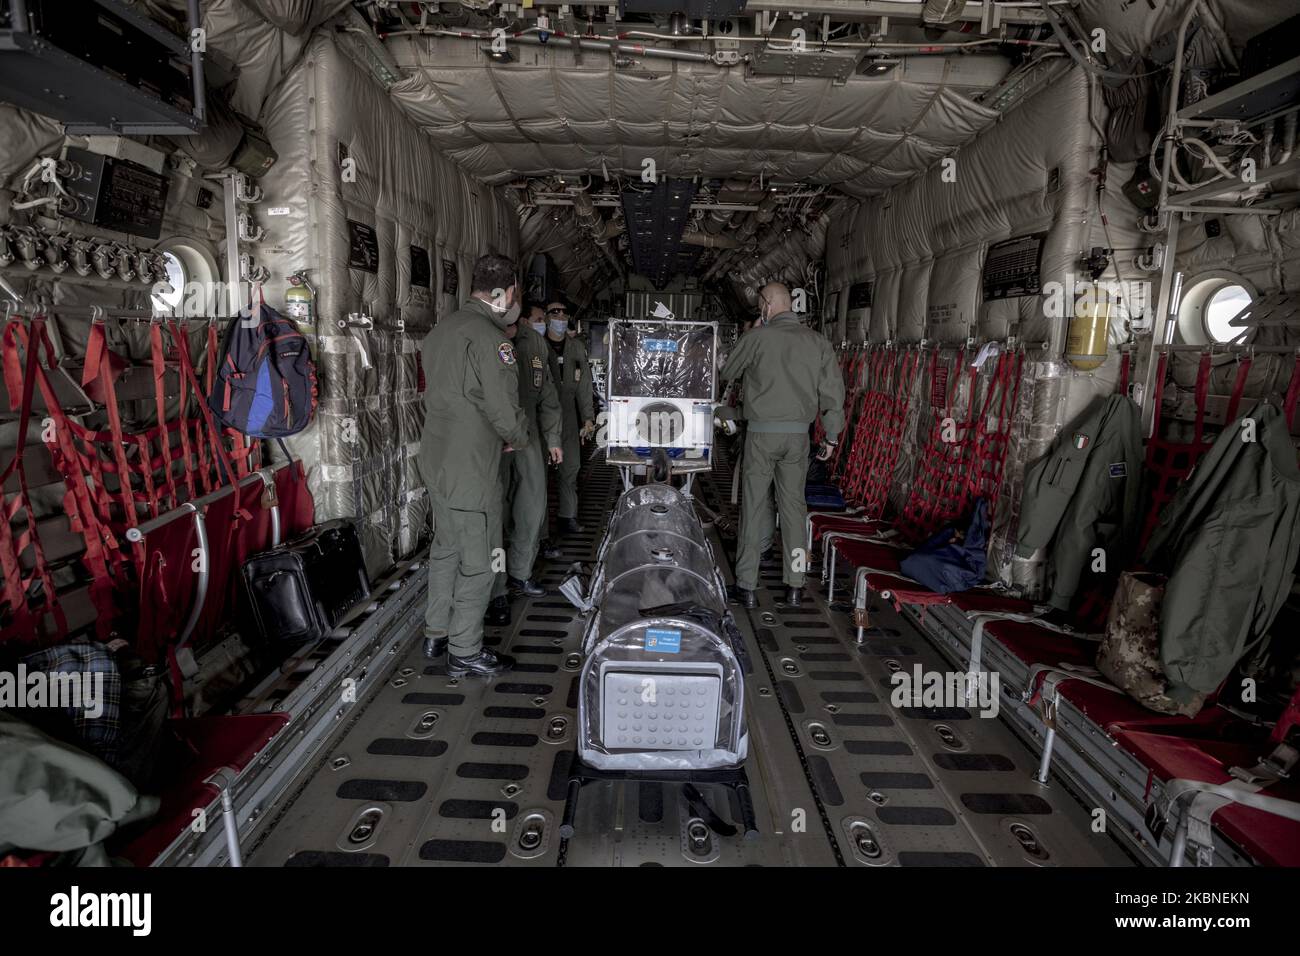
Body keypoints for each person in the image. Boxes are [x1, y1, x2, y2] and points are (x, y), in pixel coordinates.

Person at [418, 254, 529, 677]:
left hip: (436, 459)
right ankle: (465, 649)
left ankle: (436, 632)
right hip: (470, 466)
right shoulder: (491, 339)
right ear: (506, 292)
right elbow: (503, 409)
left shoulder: (440, 331)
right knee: (481, 559)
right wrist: (518, 437)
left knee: (445, 548)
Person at [720, 282, 845, 608]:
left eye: (761, 305)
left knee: (754, 506)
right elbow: (833, 395)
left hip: (761, 435)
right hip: (798, 437)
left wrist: (755, 332)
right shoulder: (818, 342)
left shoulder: (758, 338)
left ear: (766, 304)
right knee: (794, 509)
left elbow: (727, 371)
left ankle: (746, 585)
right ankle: (796, 583)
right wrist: (831, 436)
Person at [484, 304, 564, 626]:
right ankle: (495, 587)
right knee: (495, 511)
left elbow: (547, 394)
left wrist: (554, 438)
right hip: (493, 435)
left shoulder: (534, 343)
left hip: (528, 433)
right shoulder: (483, 334)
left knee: (532, 505)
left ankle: (520, 572)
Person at [543, 298, 594, 536]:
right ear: (545, 318)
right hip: (541, 414)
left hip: (569, 412)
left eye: (564, 314)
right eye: (555, 312)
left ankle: (567, 516)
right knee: (538, 473)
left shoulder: (575, 348)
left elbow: (584, 385)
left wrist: (588, 417)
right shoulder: (536, 344)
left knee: (571, 466)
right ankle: (539, 527)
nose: (560, 318)